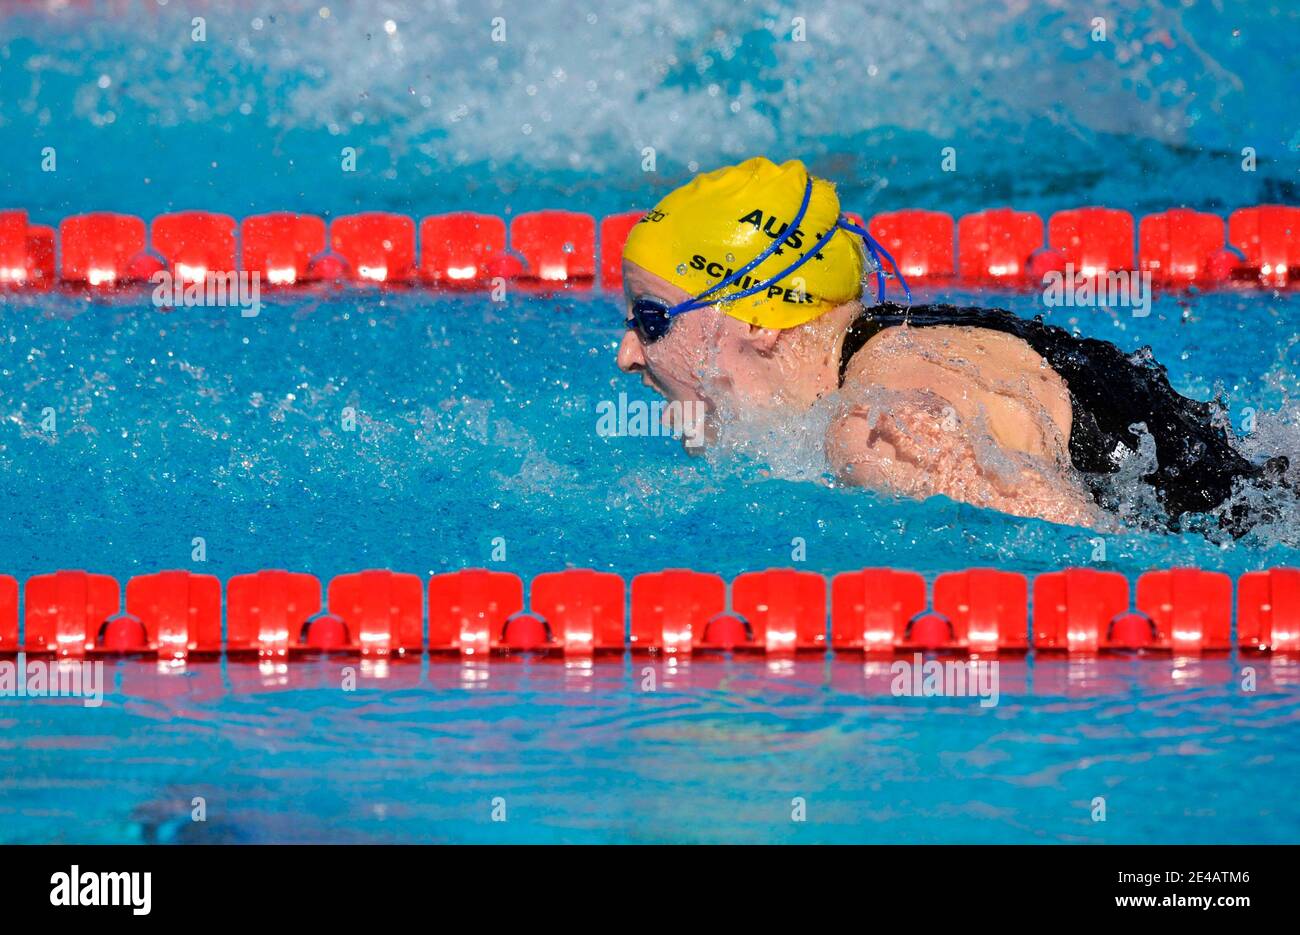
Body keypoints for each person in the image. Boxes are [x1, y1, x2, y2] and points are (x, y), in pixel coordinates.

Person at [615, 156, 1288, 532]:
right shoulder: (894, 349)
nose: (629, 354)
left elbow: (1098, 553)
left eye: (650, 319)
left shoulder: (873, 428)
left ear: (760, 319)